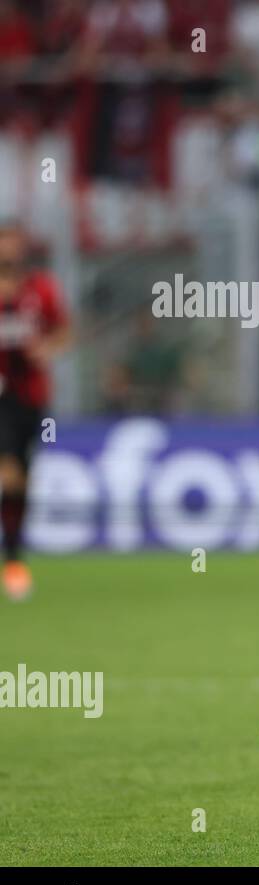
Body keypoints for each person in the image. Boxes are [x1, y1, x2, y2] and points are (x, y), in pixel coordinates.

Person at [0, 223, 71, 601]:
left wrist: (47, 349)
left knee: (22, 483)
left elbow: (64, 331)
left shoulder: (40, 287)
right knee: (8, 475)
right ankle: (12, 562)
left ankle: (13, 561)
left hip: (32, 398)